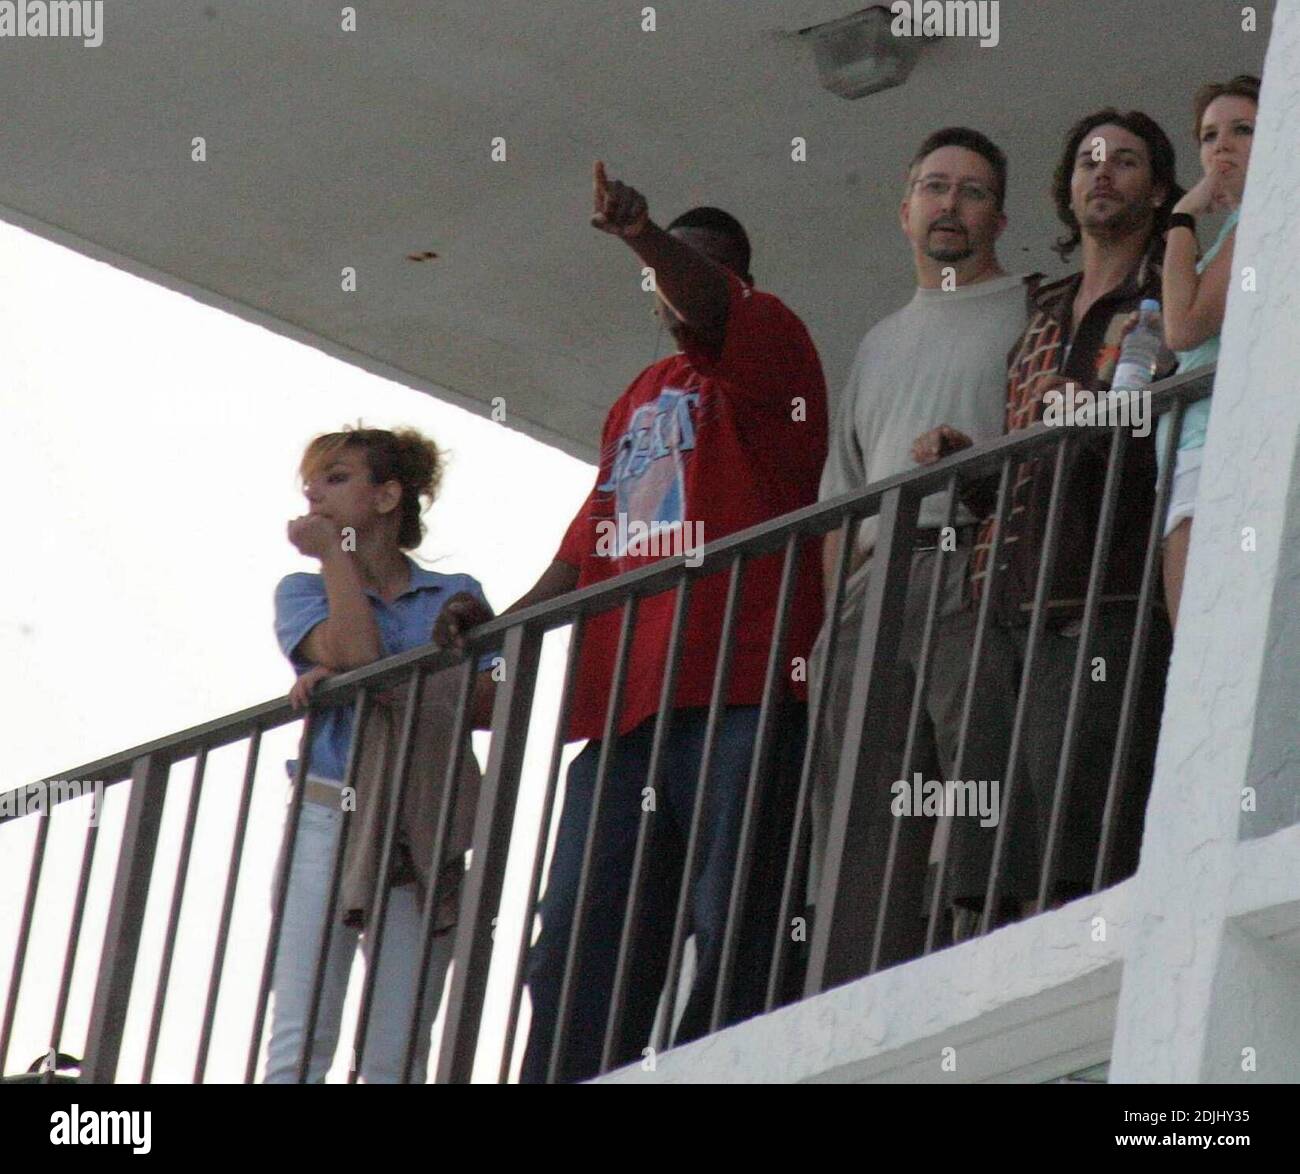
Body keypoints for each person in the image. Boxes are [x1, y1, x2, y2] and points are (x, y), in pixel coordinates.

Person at [437, 162, 828, 1082]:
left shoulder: (774, 347)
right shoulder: (640, 395)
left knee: (734, 919)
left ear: (739, 284)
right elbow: (593, 544)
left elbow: (708, 306)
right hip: (622, 712)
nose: (671, 288)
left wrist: (646, 235)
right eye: (662, 276)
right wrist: (498, 627)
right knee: (578, 932)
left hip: (741, 685)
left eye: (695, 273)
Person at [914, 110, 1181, 935]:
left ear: (1159, 189)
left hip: (1100, 600)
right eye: (1088, 160)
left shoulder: (1164, 298)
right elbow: (1032, 460)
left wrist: (1095, 418)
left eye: (1127, 161)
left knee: (1084, 852)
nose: (1103, 173)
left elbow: (1151, 445)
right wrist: (974, 463)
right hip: (1004, 605)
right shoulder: (1042, 311)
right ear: (1065, 189)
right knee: (992, 870)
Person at [810, 127, 1037, 970]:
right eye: (934, 187)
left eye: (972, 190)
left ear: (1000, 216)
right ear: (904, 210)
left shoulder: (1026, 310)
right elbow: (843, 500)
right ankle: (850, 995)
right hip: (874, 586)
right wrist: (838, 618)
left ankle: (987, 970)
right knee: (858, 819)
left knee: (978, 792)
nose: (951, 204)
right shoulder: (876, 342)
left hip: (970, 563)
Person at [267, 425, 493, 1083]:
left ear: (389, 495)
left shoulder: (455, 591)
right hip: (327, 810)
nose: (314, 494)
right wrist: (338, 562)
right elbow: (363, 653)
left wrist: (369, 682)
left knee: (397, 1052)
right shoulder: (300, 590)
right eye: (310, 482)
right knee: (300, 1038)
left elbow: (491, 700)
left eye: (336, 478)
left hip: (420, 815)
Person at [1160, 75, 1260, 626]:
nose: (1222, 146)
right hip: (1195, 450)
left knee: (1208, 646)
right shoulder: (1235, 232)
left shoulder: (1263, 220)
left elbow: (1184, 326)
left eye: (1242, 130)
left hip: (1219, 448)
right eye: (1208, 136)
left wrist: (1182, 215)